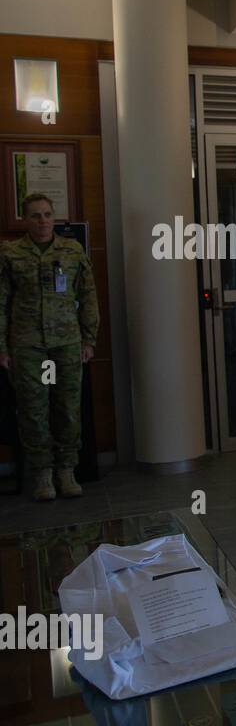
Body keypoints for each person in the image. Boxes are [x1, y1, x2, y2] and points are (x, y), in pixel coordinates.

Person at [0, 193, 99, 502]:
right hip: (29, 347)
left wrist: (89, 339)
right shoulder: (11, 254)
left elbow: (88, 294)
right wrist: (2, 347)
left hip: (66, 344)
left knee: (68, 408)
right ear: (25, 220)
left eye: (46, 214)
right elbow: (1, 303)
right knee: (33, 410)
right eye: (35, 215)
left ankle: (67, 470)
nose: (42, 221)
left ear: (53, 217)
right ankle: (42, 474)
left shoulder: (71, 251)